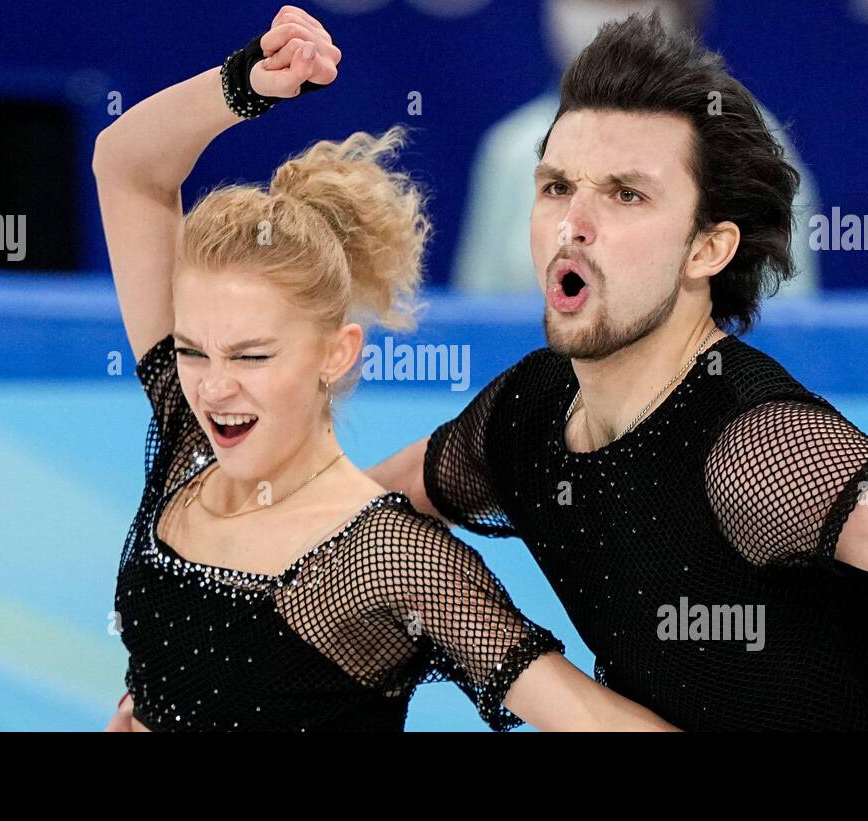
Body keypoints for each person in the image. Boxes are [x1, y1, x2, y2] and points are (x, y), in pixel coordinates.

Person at [367, 10, 868, 730]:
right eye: (556, 187)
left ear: (707, 250)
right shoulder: (529, 408)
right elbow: (350, 516)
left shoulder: (756, 451)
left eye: (626, 195)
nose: (573, 223)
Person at [93, 5, 679, 732]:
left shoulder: (385, 555)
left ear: (336, 353)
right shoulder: (187, 445)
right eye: (192, 350)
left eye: (252, 355)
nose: (214, 385)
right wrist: (245, 82)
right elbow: (127, 168)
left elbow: (592, 718)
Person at [449, 0, 821, 297]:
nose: (574, 231)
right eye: (557, 188)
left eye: (628, 194)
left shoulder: (747, 137)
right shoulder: (511, 148)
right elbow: (480, 319)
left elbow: (784, 324)